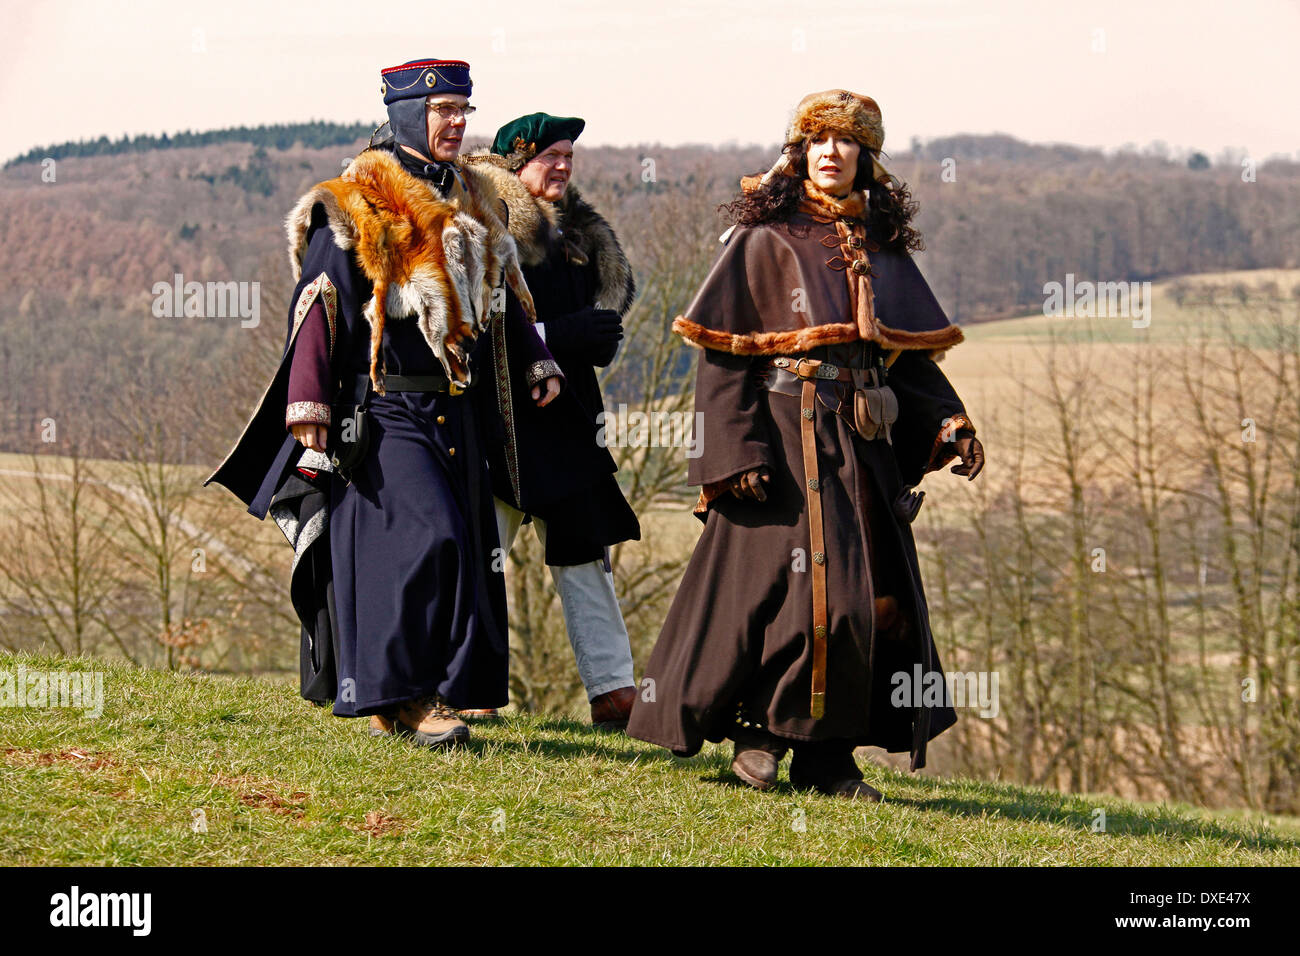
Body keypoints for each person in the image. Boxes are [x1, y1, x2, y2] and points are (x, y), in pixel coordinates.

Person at [625, 90, 985, 799]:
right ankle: (759, 735)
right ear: (798, 153)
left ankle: (828, 758)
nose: (831, 153)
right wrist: (733, 454)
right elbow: (725, 358)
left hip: (861, 452)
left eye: (847, 143)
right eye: (817, 141)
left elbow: (906, 361)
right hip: (782, 451)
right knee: (782, 599)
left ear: (867, 160)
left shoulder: (882, 249)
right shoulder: (766, 240)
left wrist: (949, 422)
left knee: (865, 602)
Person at [205, 58, 563, 750]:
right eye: (443, 110)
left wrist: (537, 360)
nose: (457, 122)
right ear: (406, 114)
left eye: (464, 109)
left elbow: (499, 292)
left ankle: (402, 696)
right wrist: (306, 397)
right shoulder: (355, 201)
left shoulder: (475, 198)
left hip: (457, 407)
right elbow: (320, 297)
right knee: (433, 540)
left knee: (467, 551)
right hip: (385, 409)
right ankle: (412, 698)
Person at [459, 113, 641, 729]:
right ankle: (467, 683)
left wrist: (594, 337)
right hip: (505, 421)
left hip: (569, 423)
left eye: (569, 156)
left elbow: (595, 324)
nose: (562, 166)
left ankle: (614, 690)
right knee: (484, 552)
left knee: (585, 553)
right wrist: (560, 336)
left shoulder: (578, 236)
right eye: (549, 156)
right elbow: (481, 327)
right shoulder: (488, 224)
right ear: (516, 163)